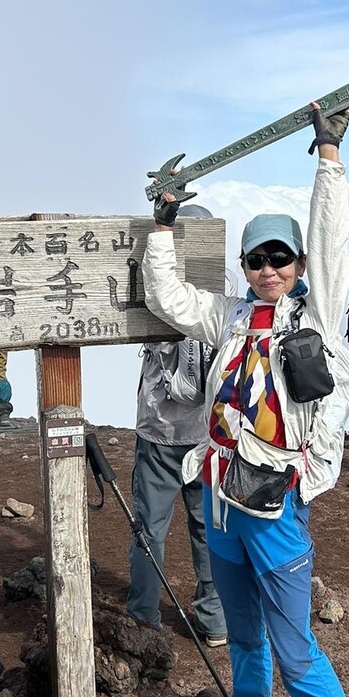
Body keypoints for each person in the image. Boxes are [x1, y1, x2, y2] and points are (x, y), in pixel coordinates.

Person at [142, 104, 349, 697]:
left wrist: (328, 158)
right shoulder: (232, 319)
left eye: (282, 258)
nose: (270, 269)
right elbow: (168, 298)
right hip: (219, 498)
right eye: (258, 259)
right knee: (243, 637)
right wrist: (161, 227)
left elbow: (336, 246)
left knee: (295, 649)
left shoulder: (318, 319)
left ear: (299, 266)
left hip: (276, 505)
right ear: (245, 267)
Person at [127, 206, 227, 647]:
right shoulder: (223, 297)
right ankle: (214, 618)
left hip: (161, 433)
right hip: (207, 436)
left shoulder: (159, 292)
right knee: (209, 530)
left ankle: (144, 618)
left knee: (150, 529)